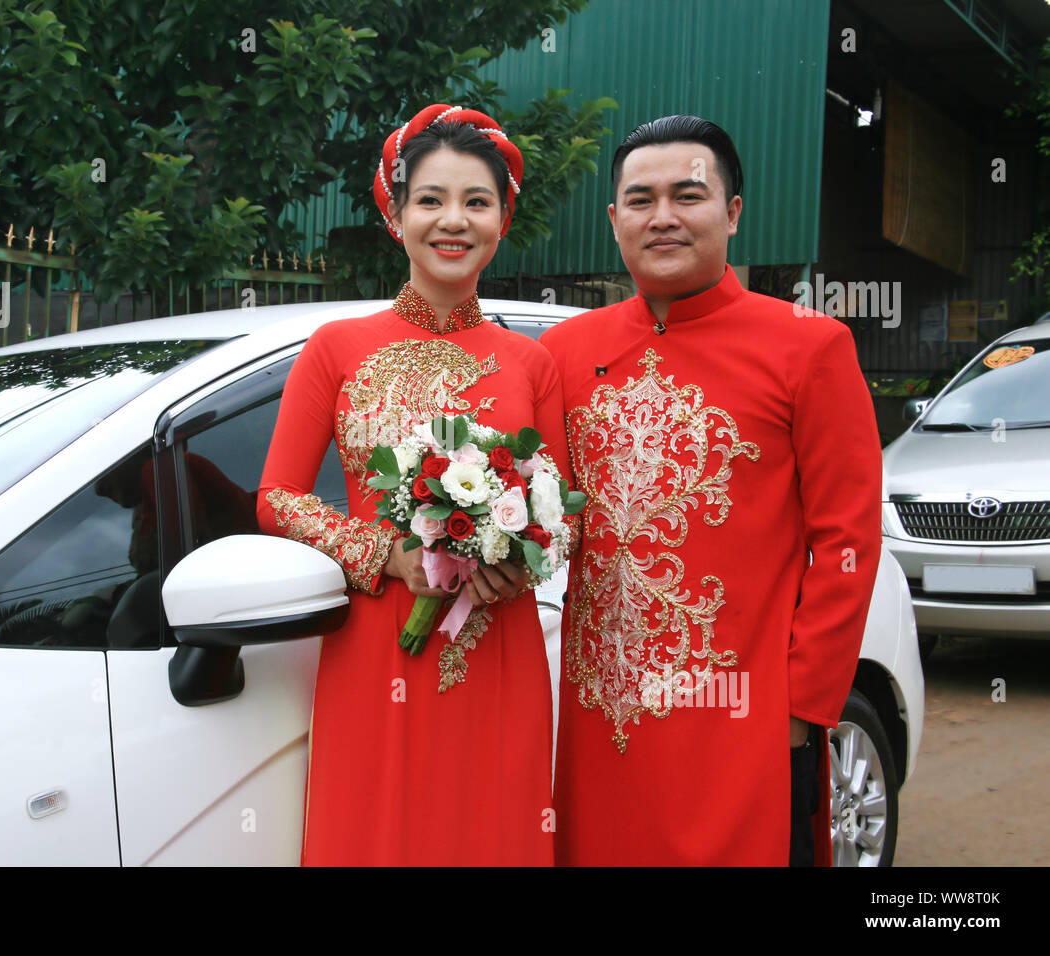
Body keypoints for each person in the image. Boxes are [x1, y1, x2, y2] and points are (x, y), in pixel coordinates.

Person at [539, 115, 881, 866]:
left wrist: (803, 705)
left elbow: (849, 539)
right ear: (614, 220)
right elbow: (541, 514)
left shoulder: (809, 346)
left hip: (744, 718)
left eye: (687, 195)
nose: (662, 217)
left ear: (732, 211)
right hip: (605, 715)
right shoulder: (562, 354)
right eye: (640, 199)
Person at [257, 103, 577, 865]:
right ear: (395, 214)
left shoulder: (533, 364)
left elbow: (565, 511)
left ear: (502, 220)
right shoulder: (336, 349)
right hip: (377, 648)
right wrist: (386, 553)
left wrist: (519, 555)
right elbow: (275, 496)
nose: (452, 220)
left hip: (499, 646)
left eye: (477, 201)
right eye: (430, 199)